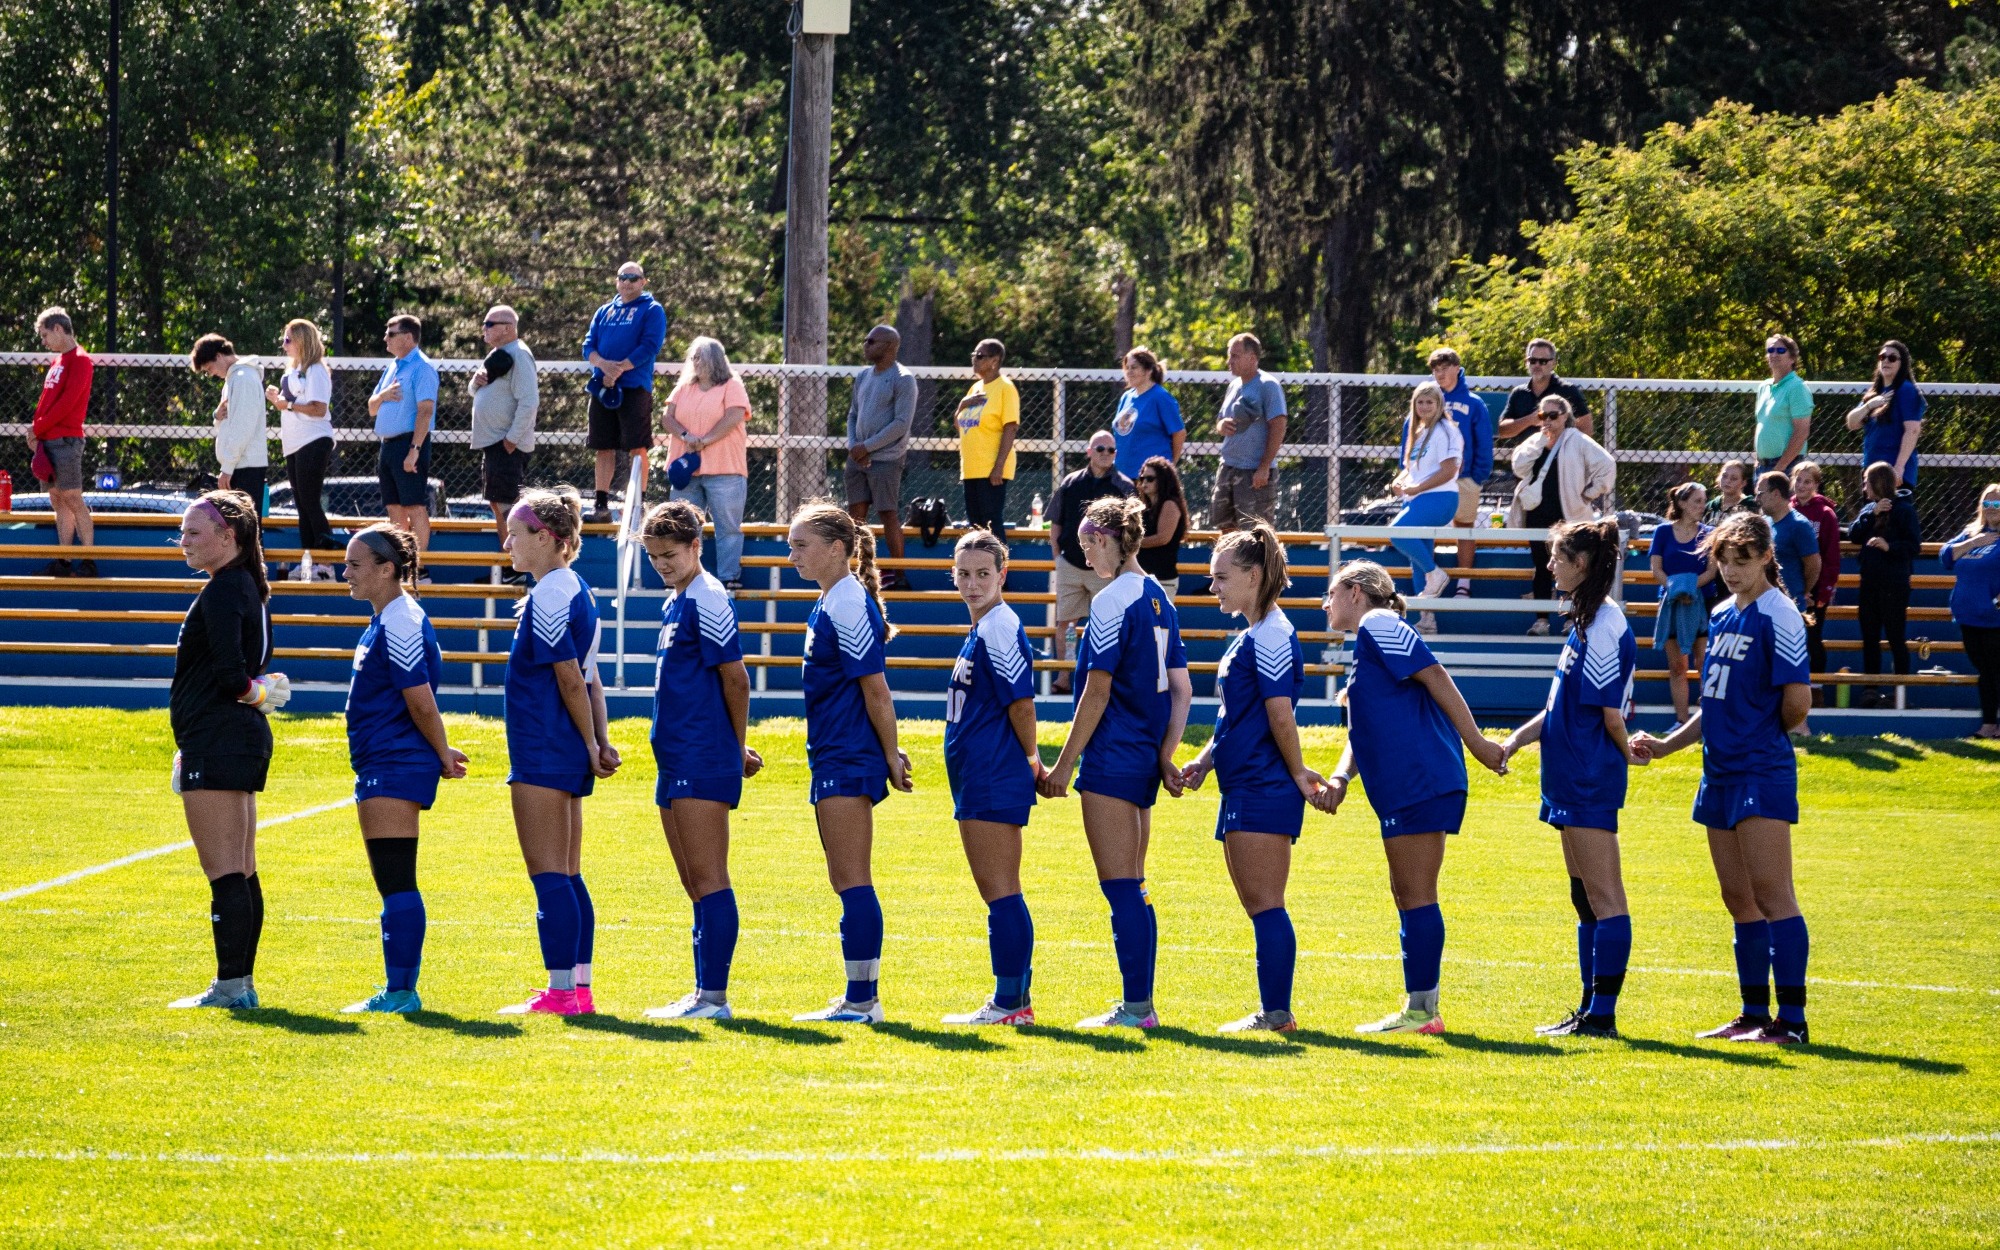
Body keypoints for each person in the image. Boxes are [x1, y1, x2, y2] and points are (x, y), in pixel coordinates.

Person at [1630, 513, 1815, 1045]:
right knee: (1737, 896)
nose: (1731, 571)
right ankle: (1754, 1012)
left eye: (1742, 561)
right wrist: (1665, 746)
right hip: (1719, 774)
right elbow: (1713, 704)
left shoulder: (1780, 614)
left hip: (1760, 771)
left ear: (1765, 559)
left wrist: (1754, 737)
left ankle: (1794, 1022)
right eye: (1723, 561)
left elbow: (1796, 702)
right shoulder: (1721, 614)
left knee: (1773, 894)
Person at [1312, 560, 1507, 1035]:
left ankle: (1422, 1011)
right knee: (1408, 892)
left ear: (1355, 592)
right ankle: (1420, 1007)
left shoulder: (1379, 622)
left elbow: (1435, 675)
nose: (1324, 604)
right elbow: (1366, 728)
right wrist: (1340, 778)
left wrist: (1479, 744)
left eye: (1331, 593)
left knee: (1416, 893)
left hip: (1420, 778)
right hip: (1407, 783)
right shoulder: (1369, 639)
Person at [1039, 495, 1192, 1029]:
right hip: (1143, 758)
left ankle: (1136, 1009)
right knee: (1135, 881)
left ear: (1104, 539)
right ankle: (1140, 1004)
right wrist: (1166, 754)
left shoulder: (1110, 602)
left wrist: (1063, 766)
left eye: (1086, 544)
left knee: (1120, 883)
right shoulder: (1158, 597)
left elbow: (1095, 694)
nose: (1084, 554)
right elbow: (1182, 689)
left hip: (1112, 757)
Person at [1178, 523, 1323, 1033]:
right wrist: (1207, 759)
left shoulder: (1274, 633)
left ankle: (1277, 1013)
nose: (1213, 587)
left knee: (1266, 904)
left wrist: (1299, 772)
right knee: (1258, 904)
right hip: (1243, 783)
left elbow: (1280, 713)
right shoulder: (1255, 633)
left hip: (1264, 785)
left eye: (1221, 577)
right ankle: (1273, 1010)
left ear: (1253, 575)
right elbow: (1239, 716)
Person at [1498, 520, 1639, 1038]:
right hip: (1566, 776)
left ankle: (1602, 1015)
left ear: (1583, 563)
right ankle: (1587, 1008)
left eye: (1559, 558)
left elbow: (1608, 714)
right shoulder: (1585, 620)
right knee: (1583, 897)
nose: (1551, 565)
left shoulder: (1605, 624)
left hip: (1587, 777)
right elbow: (1560, 707)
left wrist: (1630, 754)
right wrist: (1515, 740)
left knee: (1605, 897)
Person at [787, 501, 913, 1024]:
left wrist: (889, 753)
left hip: (848, 755)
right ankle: (857, 996)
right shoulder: (832, 600)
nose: (791, 554)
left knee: (852, 877)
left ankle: (863, 1000)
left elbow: (876, 690)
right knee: (846, 877)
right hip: (835, 754)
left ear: (837, 549)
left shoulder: (846, 603)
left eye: (801, 545)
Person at [637, 501, 763, 1020]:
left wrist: (733, 747)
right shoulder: (678, 599)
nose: (662, 565)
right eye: (653, 557)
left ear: (696, 545)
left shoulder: (708, 597)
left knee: (710, 878)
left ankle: (714, 998)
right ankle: (701, 993)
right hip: (675, 758)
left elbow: (736, 679)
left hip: (701, 755)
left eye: (669, 554)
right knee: (694, 882)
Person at [337, 522, 467, 1014]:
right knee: (392, 879)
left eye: (354, 564)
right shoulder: (386, 618)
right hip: (384, 760)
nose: (344, 573)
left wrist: (441, 752)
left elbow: (419, 697)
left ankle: (400, 992)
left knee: (395, 880)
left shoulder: (402, 619)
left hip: (394, 762)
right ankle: (399, 990)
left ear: (387, 570)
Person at [166, 491, 289, 1009]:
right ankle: (241, 985)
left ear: (228, 537)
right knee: (241, 867)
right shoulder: (246, 587)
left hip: (218, 740)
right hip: (233, 739)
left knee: (225, 872)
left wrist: (255, 692)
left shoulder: (224, 590)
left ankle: (232, 986)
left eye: (195, 532)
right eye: (183, 532)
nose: (184, 542)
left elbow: (229, 674)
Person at [499, 487, 618, 1015]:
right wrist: (597, 741)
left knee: (549, 872)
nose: (507, 543)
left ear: (547, 538)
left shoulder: (551, 591)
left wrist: (593, 742)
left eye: (516, 533)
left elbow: (571, 679)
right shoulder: (576, 589)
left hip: (544, 746)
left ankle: (562, 993)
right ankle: (578, 988)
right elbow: (591, 682)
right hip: (562, 745)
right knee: (567, 872)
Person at [940, 528, 1044, 1025]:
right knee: (1000, 889)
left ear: (1003, 575)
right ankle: (1015, 1001)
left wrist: (1031, 759)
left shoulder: (999, 625)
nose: (972, 583)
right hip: (979, 774)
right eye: (963, 573)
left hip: (992, 772)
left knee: (999, 889)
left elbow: (1021, 701)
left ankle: (1009, 1003)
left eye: (983, 574)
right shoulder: (982, 626)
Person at [1507, 394, 1615, 635]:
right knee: (1541, 566)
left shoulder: (1577, 440)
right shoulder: (1536, 441)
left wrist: (1590, 493)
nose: (1547, 421)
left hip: (1569, 516)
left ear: (1565, 416)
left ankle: (1572, 618)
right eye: (1543, 415)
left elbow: (1607, 465)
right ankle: (1541, 620)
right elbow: (1518, 465)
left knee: (1572, 566)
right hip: (1536, 513)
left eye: (1553, 415)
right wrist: (1541, 443)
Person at [660, 336, 751, 591]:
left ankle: (728, 577)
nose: (694, 361)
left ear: (714, 359)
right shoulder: (683, 387)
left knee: (727, 526)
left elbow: (734, 415)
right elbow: (668, 418)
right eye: (693, 357)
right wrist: (688, 437)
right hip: (687, 469)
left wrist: (706, 440)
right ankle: (685, 578)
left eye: (699, 356)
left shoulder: (732, 385)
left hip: (725, 467)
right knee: (683, 527)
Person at [1047, 430, 1135, 694]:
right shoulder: (1071, 482)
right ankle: (1065, 677)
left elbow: (1132, 528)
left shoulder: (1124, 486)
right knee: (1066, 623)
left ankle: (1100, 677)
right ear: (1088, 452)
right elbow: (1056, 521)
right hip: (1071, 564)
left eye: (1111, 450)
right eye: (1100, 449)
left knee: (1106, 621)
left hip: (1106, 569)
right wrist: (1057, 556)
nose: (1106, 454)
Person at [583, 261, 668, 523]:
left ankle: (638, 507)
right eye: (623, 277)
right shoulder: (604, 311)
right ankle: (601, 506)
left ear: (643, 282)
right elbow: (588, 347)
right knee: (602, 447)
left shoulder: (652, 310)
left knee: (637, 447)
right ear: (616, 281)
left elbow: (650, 346)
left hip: (634, 388)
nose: (628, 282)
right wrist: (603, 366)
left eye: (633, 277)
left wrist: (619, 369)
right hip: (603, 389)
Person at [1387, 380, 1464, 633]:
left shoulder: (1447, 430)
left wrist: (1418, 488)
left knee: (1398, 531)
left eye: (1430, 402)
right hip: (1419, 500)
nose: (1424, 406)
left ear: (1439, 404)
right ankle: (1427, 618)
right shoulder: (1418, 433)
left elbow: (1450, 470)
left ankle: (1437, 574)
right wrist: (1400, 482)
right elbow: (1412, 471)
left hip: (1440, 498)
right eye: (1420, 402)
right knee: (1418, 559)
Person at [845, 325, 918, 588]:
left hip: (886, 458)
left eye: (871, 341)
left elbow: (901, 423)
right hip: (858, 457)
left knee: (888, 513)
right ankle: (860, 572)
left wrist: (868, 447)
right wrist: (855, 446)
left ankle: (900, 575)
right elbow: (853, 414)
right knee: (856, 516)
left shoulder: (903, 379)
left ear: (889, 346)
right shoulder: (863, 376)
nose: (865, 344)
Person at [26, 306, 95, 577]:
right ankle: (64, 560)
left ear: (58, 328)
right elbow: (47, 401)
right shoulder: (58, 362)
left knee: (73, 497)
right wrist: (37, 431)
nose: (44, 342)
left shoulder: (80, 359)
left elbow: (68, 403)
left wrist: (38, 428)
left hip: (66, 440)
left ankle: (89, 560)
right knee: (57, 499)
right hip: (49, 438)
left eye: (45, 335)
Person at [468, 305, 540, 561]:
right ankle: (510, 563)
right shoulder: (498, 354)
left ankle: (515, 566)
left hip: (505, 444)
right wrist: (474, 382)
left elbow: (529, 402)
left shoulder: (519, 355)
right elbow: (477, 391)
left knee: (509, 507)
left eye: (490, 324)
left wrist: (511, 439)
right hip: (494, 444)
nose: (484, 329)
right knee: (498, 504)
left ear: (508, 328)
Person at [1847, 461, 1921, 707]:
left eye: (1867, 481)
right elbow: (1854, 534)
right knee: (1869, 637)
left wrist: (1890, 547)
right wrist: (1872, 513)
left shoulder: (1904, 510)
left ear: (1879, 483)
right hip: (1870, 582)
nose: (1864, 486)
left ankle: (1899, 691)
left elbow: (1914, 546)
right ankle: (1871, 688)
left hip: (1894, 584)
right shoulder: (1869, 508)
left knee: (1895, 637)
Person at [266, 319, 337, 568]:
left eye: (288, 340)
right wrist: (277, 400)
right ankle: (309, 561)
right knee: (302, 504)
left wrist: (289, 405)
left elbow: (318, 409)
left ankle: (325, 561)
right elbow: (292, 404)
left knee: (309, 500)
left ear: (302, 341)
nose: (284, 346)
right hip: (294, 442)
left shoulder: (316, 369)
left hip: (314, 438)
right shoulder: (294, 369)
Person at [367, 314, 439, 558]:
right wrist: (384, 395)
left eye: (391, 333)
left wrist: (414, 450)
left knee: (414, 506)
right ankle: (402, 560)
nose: (385, 337)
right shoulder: (392, 366)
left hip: (409, 443)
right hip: (387, 446)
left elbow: (426, 410)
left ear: (408, 337)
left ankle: (419, 566)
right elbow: (372, 406)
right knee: (394, 508)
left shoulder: (422, 367)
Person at [1426, 347, 1494, 597]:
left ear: (1457, 368)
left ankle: (1464, 583)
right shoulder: (1427, 399)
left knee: (1464, 528)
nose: (1440, 374)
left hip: (1464, 479)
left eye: (1444, 368)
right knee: (1427, 528)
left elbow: (1484, 443)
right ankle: (1430, 581)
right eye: (1435, 370)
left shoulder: (1473, 403)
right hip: (1430, 480)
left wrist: (1477, 477)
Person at [1649, 482, 1715, 725]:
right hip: (1671, 605)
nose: (1702, 506)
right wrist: (1676, 590)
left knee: (1704, 664)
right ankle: (1681, 721)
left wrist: (1690, 589)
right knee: (1677, 666)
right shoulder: (1663, 532)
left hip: (1701, 604)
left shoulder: (1709, 533)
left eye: (1703, 500)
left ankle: (1709, 720)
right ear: (1682, 503)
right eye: (1697, 501)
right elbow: (1656, 568)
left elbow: (1712, 570)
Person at [1940, 485, 2000, 739]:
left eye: (1997, 504)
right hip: (1967, 615)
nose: (1991, 508)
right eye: (1987, 503)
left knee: (1996, 670)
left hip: (1994, 617)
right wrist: (1975, 541)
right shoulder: (1970, 533)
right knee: (1985, 671)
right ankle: (1988, 724)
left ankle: (1993, 724)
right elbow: (1945, 557)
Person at [1212, 333, 1287, 531]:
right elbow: (1220, 420)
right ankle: (1229, 564)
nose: (1230, 361)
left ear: (1252, 358)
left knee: (1255, 535)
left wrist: (1264, 467)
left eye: (1235, 356)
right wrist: (1222, 426)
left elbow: (1278, 426)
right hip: (1228, 467)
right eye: (1230, 355)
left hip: (1253, 473)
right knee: (1226, 529)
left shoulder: (1268, 386)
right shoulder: (1234, 385)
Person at [189, 335, 270, 517]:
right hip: (240, 463)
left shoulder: (242, 379)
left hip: (244, 465)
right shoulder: (235, 379)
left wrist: (227, 467)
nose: (211, 373)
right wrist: (217, 417)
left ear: (219, 356)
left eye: (209, 368)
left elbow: (242, 427)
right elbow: (230, 426)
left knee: (245, 528)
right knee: (240, 527)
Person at [955, 338, 1019, 535]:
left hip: (990, 469)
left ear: (994, 361)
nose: (974, 359)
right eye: (973, 355)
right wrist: (962, 405)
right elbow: (961, 426)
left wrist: (998, 467)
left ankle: (1001, 566)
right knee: (975, 526)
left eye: (980, 356)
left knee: (991, 524)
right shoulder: (975, 389)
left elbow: (1010, 428)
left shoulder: (1005, 388)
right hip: (971, 468)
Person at [1845, 340, 1925, 492]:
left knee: (1893, 514)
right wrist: (1869, 406)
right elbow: (1852, 423)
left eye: (1892, 358)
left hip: (1893, 472)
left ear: (1902, 363)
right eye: (1882, 357)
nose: (1886, 361)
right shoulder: (1875, 392)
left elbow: (1913, 430)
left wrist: (1899, 467)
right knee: (1872, 514)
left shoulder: (1906, 390)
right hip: (1871, 471)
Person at [1788, 462, 1842, 677]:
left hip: (1815, 588)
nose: (1801, 485)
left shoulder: (1825, 514)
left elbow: (1831, 557)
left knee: (1812, 637)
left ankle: (1816, 686)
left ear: (1817, 485)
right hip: (1789, 584)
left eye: (1807, 481)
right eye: (1798, 480)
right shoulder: (1786, 509)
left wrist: (1824, 591)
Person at [1495, 338, 1592, 439]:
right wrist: (1530, 420)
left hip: (1559, 453)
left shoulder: (1568, 390)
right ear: (1526, 362)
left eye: (1543, 361)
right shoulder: (1519, 393)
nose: (1537, 365)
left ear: (1553, 363)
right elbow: (1502, 431)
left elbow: (1586, 429)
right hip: (1526, 453)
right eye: (1532, 361)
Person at [1756, 471, 1822, 621]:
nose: (1757, 499)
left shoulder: (1799, 525)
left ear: (1776, 494)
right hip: (1765, 603)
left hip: (1790, 606)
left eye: (1760, 493)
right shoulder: (1766, 521)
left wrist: (1802, 591)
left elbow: (1814, 565)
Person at [1111, 346, 1184, 480]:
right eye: (1127, 368)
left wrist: (1168, 466)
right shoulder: (1126, 397)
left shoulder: (1160, 397)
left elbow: (1179, 433)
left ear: (1148, 371)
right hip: (1122, 475)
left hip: (1149, 478)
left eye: (1134, 367)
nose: (1129, 372)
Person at [1753, 333, 1812, 474]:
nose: (1774, 354)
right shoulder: (1764, 387)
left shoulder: (1797, 387)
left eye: (1780, 350)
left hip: (1786, 466)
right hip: (1762, 466)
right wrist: (1757, 459)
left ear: (1792, 358)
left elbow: (1802, 432)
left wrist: (1780, 468)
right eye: (1770, 350)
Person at [1136, 455, 1187, 598]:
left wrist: (1131, 543)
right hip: (1144, 577)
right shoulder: (1145, 508)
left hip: (1162, 579)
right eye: (1142, 478)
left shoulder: (1169, 504)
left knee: (1156, 620)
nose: (1145, 482)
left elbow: (1162, 538)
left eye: (1150, 479)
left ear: (1163, 480)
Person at [1705, 460, 1754, 524]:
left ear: (1743, 483)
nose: (1728, 481)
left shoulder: (1751, 506)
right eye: (1724, 476)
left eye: (1734, 478)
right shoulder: (1711, 506)